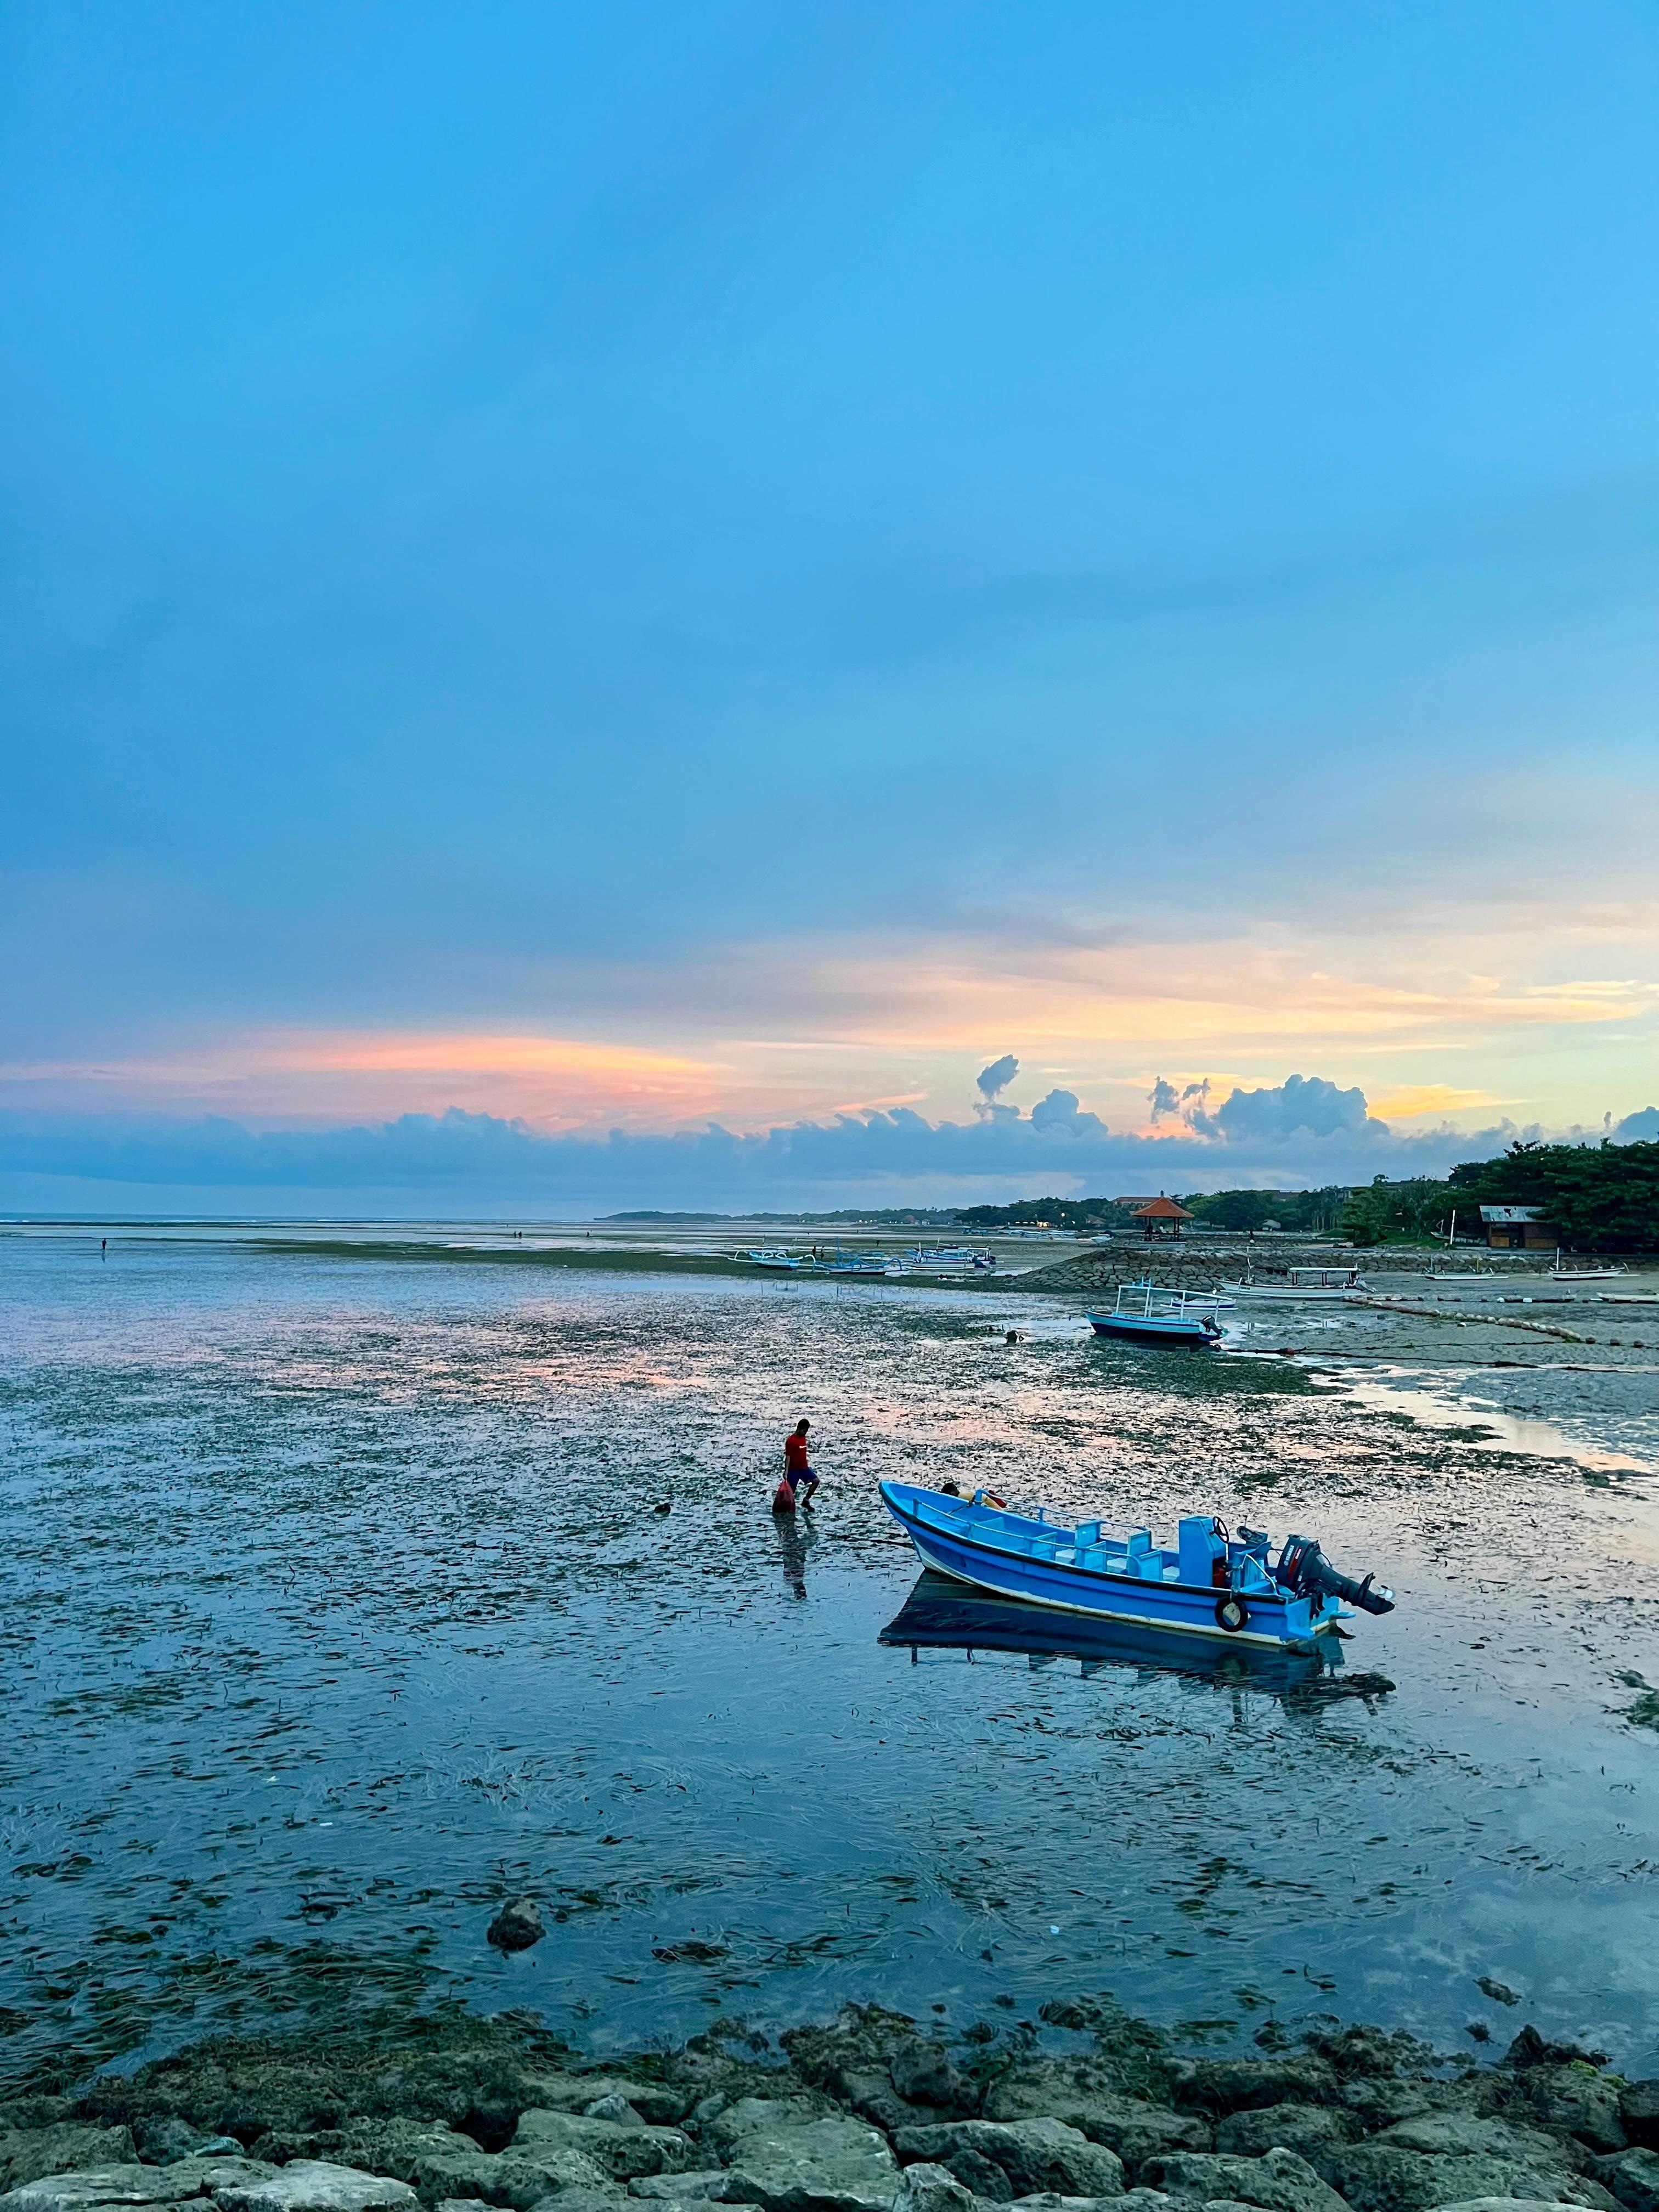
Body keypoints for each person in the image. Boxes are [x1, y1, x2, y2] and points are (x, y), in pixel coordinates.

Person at [784, 1418, 818, 1512]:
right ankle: (787, 1509)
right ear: (799, 1428)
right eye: (805, 1431)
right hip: (794, 1470)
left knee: (816, 1481)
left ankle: (806, 1500)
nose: (805, 1433)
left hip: (804, 1469)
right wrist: (786, 1471)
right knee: (791, 1492)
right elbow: (788, 1457)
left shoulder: (803, 1438)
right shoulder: (790, 1441)